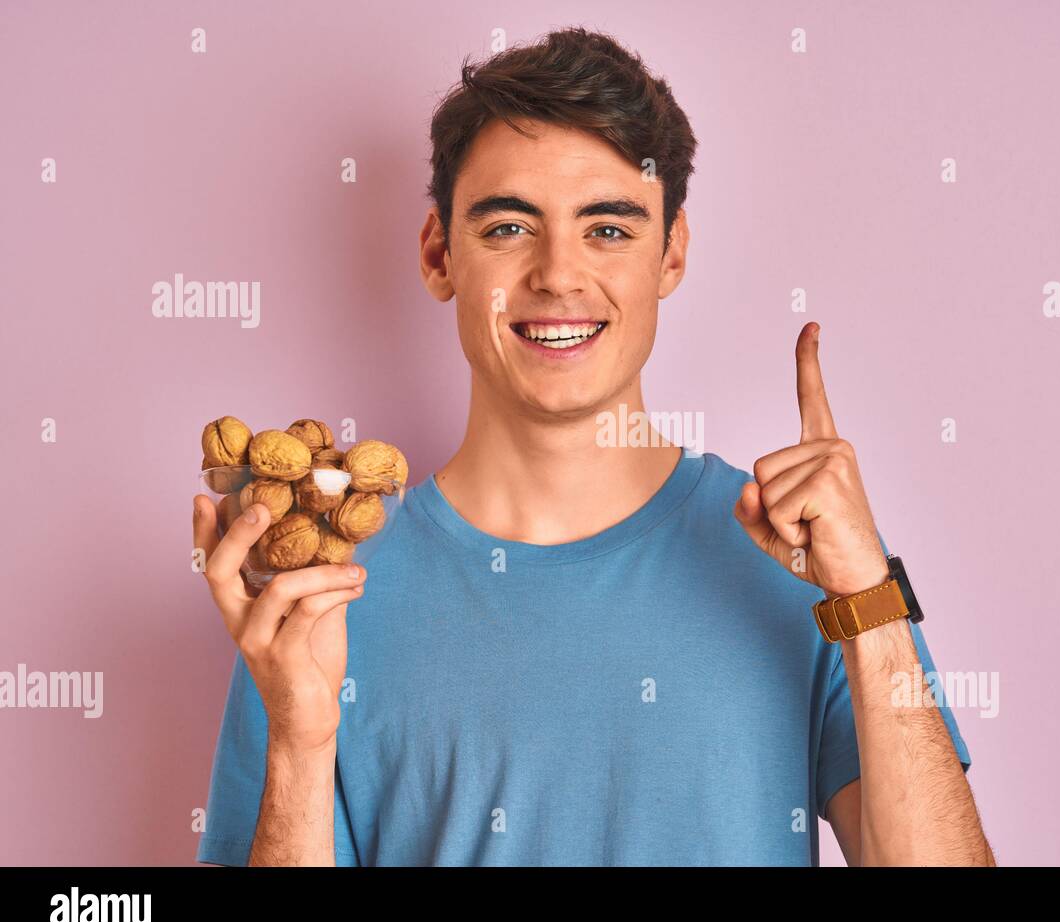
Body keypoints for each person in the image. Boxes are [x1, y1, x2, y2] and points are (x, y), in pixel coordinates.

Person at [191, 26, 993, 866]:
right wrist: (299, 742)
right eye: (508, 227)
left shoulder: (812, 569)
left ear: (671, 252)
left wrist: (870, 602)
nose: (559, 274)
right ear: (439, 253)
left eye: (608, 229)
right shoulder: (319, 597)